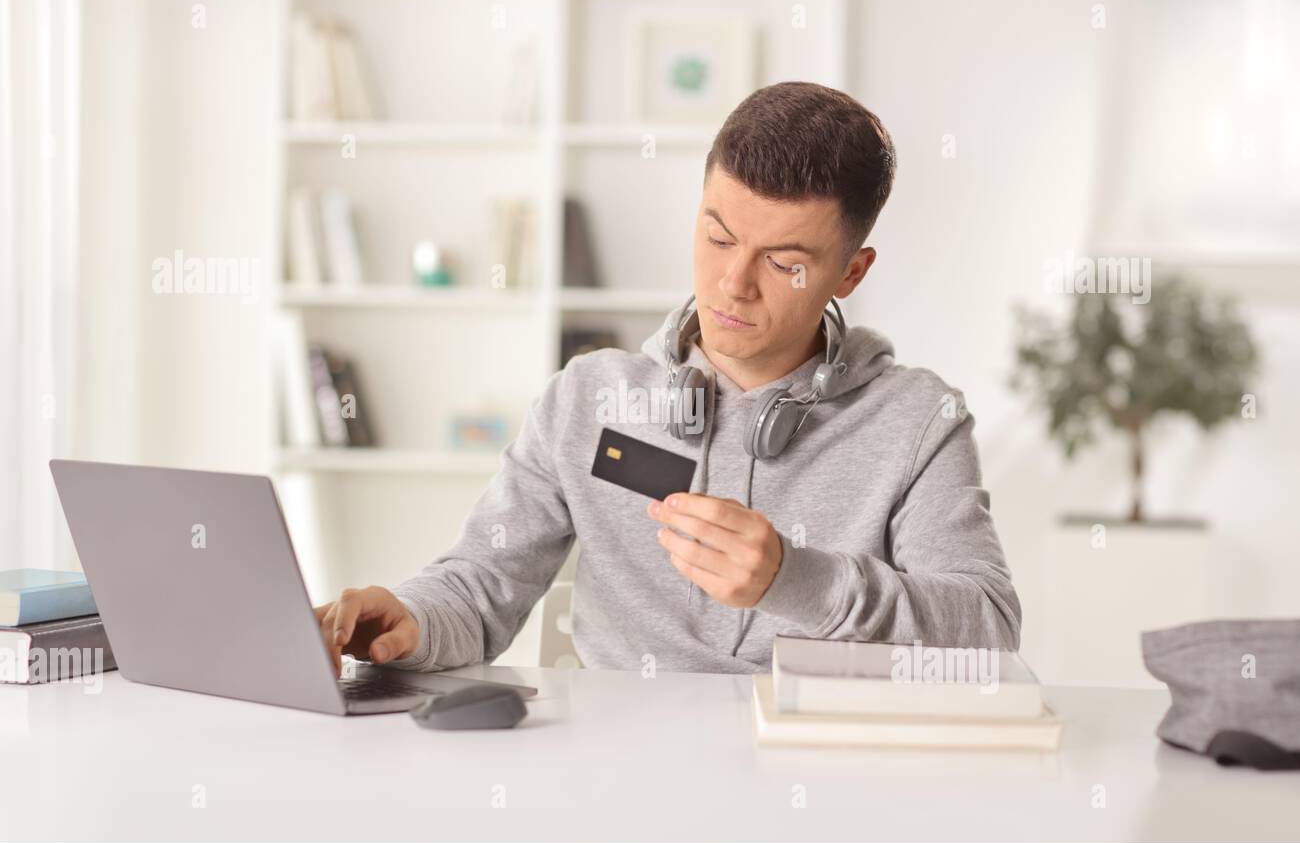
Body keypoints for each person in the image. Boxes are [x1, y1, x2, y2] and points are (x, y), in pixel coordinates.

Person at [314, 81, 1021, 676]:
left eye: (782, 262)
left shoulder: (919, 419)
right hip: (608, 782)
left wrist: (797, 580)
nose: (733, 284)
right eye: (717, 238)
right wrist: (408, 617)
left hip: (816, 780)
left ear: (850, 273)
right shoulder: (586, 400)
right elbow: (478, 589)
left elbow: (986, 631)